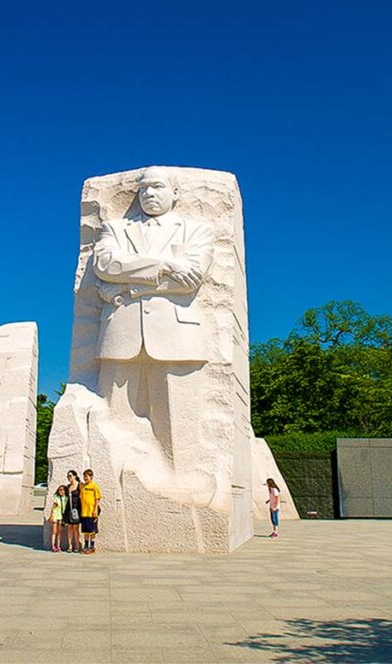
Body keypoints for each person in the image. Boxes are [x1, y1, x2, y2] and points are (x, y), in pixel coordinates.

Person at [93, 168, 222, 507]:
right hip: (121, 333)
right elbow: (105, 265)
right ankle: (118, 493)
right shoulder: (115, 228)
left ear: (174, 193)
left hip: (176, 335)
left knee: (178, 424)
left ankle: (184, 487)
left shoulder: (196, 230)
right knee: (114, 422)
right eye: (143, 188)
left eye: (157, 187)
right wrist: (164, 267)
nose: (149, 194)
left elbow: (191, 278)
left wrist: (132, 284)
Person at [80, 469, 102, 554]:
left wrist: (95, 509)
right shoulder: (83, 487)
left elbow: (97, 498)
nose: (85, 478)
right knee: (85, 531)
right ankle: (86, 546)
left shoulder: (94, 486)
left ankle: (92, 546)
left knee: (92, 530)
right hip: (84, 512)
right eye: (84, 476)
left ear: (91, 477)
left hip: (92, 512)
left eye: (87, 476)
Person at [63, 470, 82, 553]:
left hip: (77, 509)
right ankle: (70, 545)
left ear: (75, 476)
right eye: (67, 476)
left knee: (76, 528)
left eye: (70, 476)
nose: (69, 478)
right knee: (69, 528)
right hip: (69, 509)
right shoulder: (68, 487)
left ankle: (77, 545)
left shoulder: (79, 485)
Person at [48, 485, 67, 552]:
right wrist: (51, 515)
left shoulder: (66, 498)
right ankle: (53, 545)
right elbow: (53, 507)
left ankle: (58, 545)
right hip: (56, 515)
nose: (61, 491)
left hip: (62, 516)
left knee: (59, 532)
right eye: (60, 490)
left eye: (62, 490)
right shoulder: (56, 498)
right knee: (54, 531)